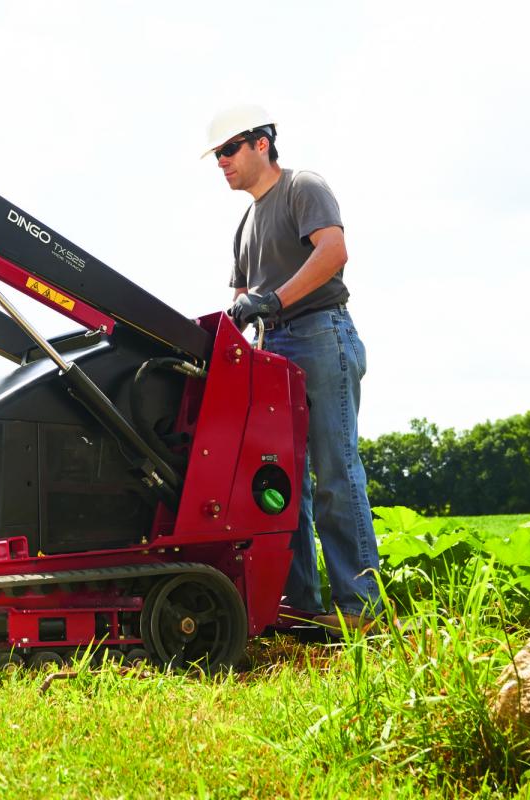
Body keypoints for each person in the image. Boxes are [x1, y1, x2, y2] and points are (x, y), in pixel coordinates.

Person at [202, 104, 380, 631]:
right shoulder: (244, 226)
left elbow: (333, 251)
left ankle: (361, 607)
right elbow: (243, 302)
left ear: (262, 143)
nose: (222, 162)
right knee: (282, 483)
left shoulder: (303, 187)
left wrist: (274, 300)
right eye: (217, 155)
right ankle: (300, 603)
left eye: (229, 149)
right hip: (273, 349)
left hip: (320, 334)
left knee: (335, 472)